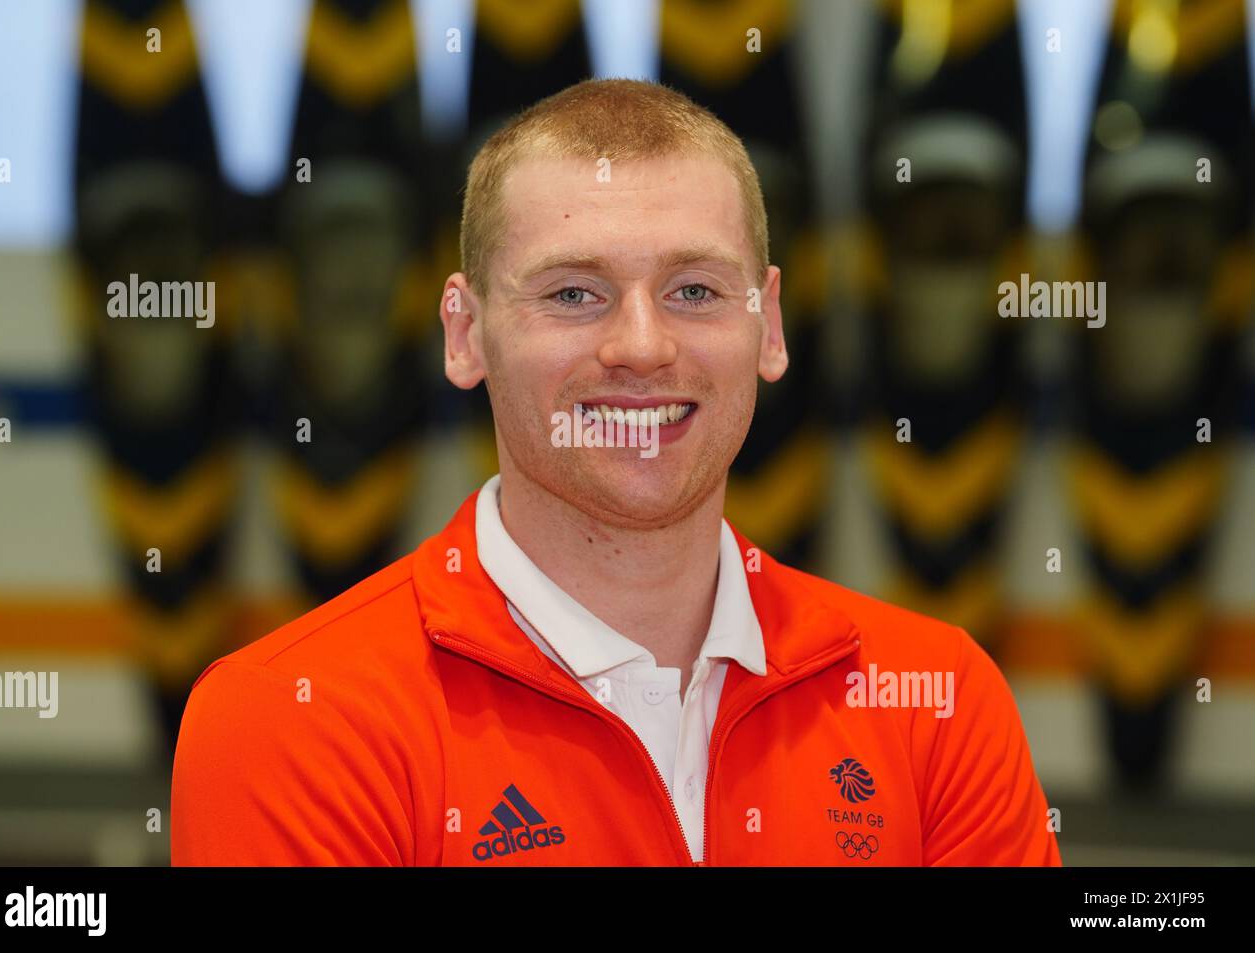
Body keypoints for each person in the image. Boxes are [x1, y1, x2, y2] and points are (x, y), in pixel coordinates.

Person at [171, 78, 1060, 866]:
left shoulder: (935, 702)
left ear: (771, 327)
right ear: (465, 334)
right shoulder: (294, 717)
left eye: (695, 290)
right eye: (573, 293)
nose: (641, 345)